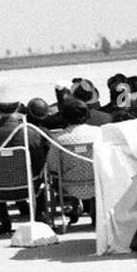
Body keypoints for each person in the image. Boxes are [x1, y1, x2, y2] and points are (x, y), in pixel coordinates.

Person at [0, 85, 48, 235]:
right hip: (29, 186)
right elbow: (39, 162)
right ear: (18, 106)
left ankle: (4, 219)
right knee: (42, 175)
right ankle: (40, 216)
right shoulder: (30, 132)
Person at [49, 94, 102, 225]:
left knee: (67, 170)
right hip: (97, 184)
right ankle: (95, 213)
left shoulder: (59, 139)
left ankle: (74, 208)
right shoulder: (98, 133)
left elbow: (53, 166)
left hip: (68, 187)